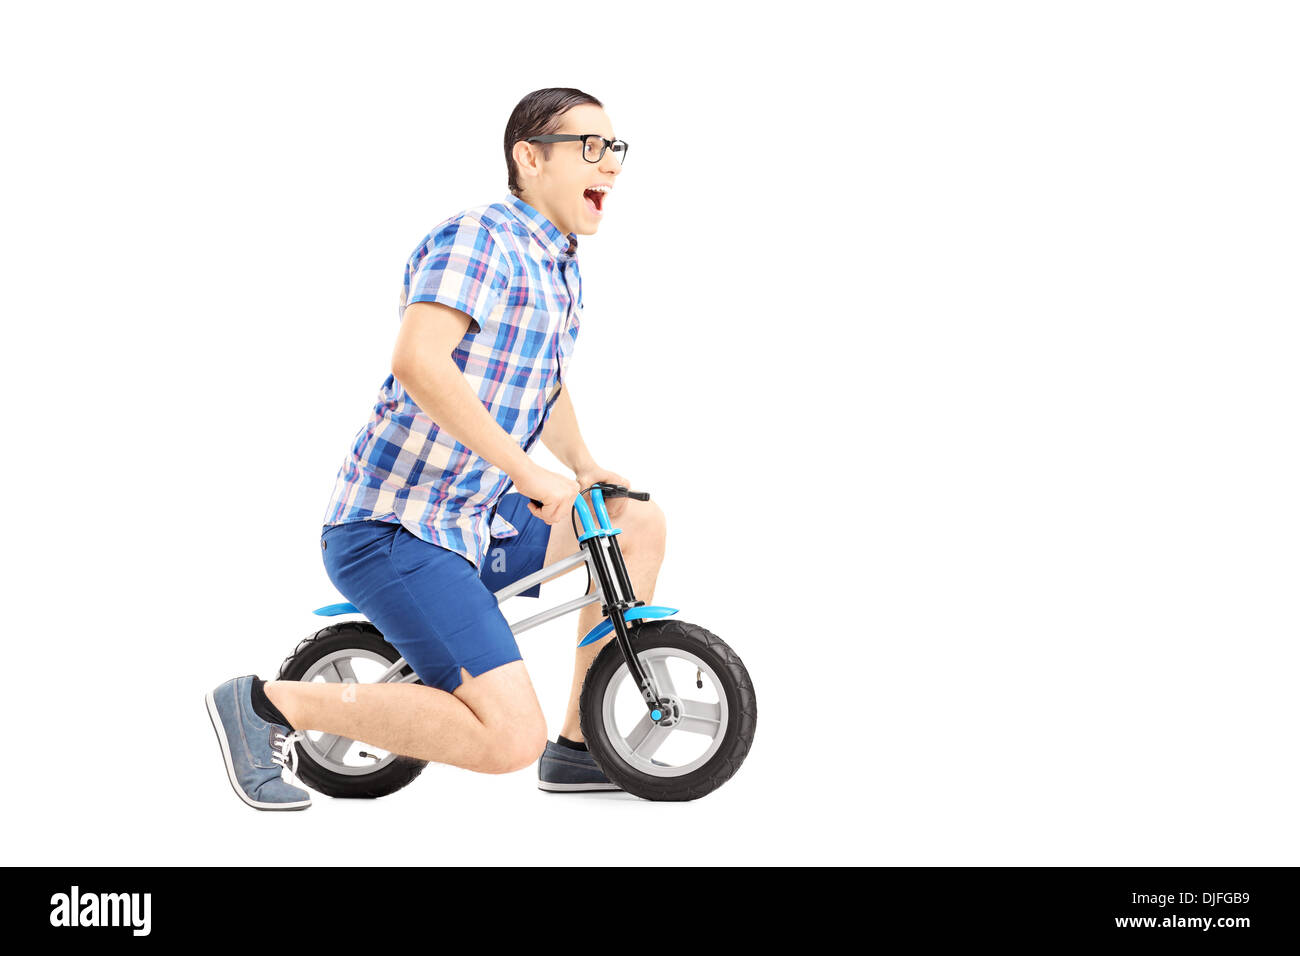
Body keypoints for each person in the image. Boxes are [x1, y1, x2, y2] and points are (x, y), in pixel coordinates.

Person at [205, 88, 666, 810]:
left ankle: (580, 746)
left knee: (631, 524)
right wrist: (527, 473)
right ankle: (265, 705)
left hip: (474, 517)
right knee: (507, 738)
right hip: (397, 527)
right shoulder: (482, 238)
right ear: (530, 157)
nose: (609, 165)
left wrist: (579, 466)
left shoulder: (559, 262)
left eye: (615, 150)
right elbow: (419, 361)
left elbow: (540, 380)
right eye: (591, 147)